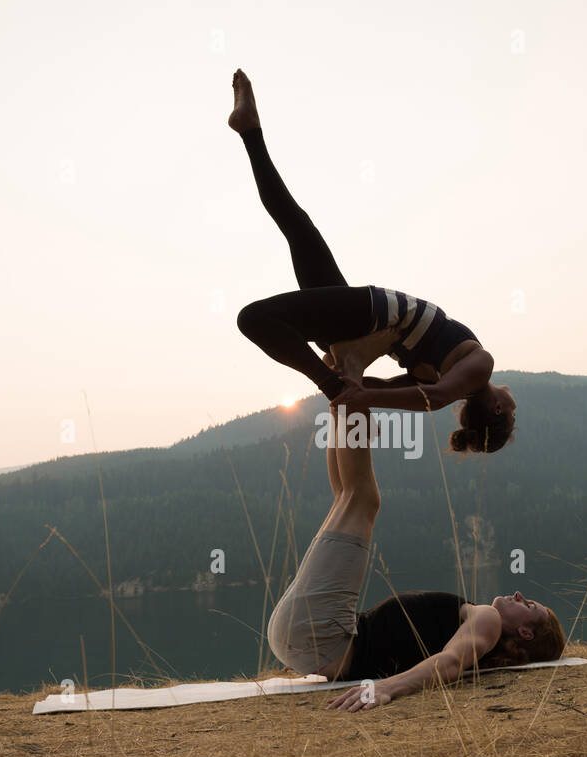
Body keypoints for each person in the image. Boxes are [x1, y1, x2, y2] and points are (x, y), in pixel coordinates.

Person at [229, 68, 517, 454]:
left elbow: (431, 395)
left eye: (513, 415)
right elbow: (405, 392)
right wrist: (361, 394)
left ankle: (329, 386)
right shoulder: (438, 372)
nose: (516, 405)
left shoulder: (480, 366)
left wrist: (353, 393)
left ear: (496, 406)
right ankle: (250, 130)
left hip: (370, 313)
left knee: (255, 315)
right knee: (296, 226)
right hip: (359, 321)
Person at [265, 401, 565, 713]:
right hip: (317, 639)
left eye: (528, 605)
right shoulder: (477, 629)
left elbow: (449, 663)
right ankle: (340, 405)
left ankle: (346, 398)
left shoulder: (488, 620)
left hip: (325, 636)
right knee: (348, 496)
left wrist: (385, 688)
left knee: (361, 499)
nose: (519, 595)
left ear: (526, 633)